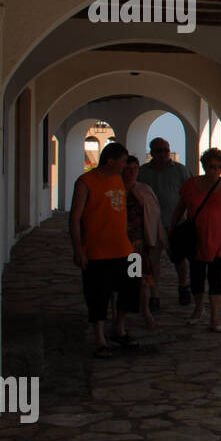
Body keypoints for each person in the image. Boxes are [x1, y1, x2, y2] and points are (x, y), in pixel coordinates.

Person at [69, 141, 139, 357]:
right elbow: (75, 218)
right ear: (111, 161)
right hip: (97, 251)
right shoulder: (86, 182)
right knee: (97, 295)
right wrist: (78, 249)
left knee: (131, 289)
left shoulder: (119, 179)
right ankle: (100, 338)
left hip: (125, 250)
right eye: (123, 162)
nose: (125, 167)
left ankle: (119, 328)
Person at [170, 147, 221, 333]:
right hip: (196, 238)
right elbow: (180, 208)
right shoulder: (190, 185)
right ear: (204, 166)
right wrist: (172, 229)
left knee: (216, 276)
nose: (216, 170)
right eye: (212, 166)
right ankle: (198, 307)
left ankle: (215, 316)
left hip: (220, 239)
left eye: (220, 167)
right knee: (197, 275)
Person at [137, 137, 192, 308]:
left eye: (166, 150)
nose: (163, 154)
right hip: (150, 225)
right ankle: (154, 295)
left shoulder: (181, 170)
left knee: (179, 259)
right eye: (159, 151)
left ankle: (183, 286)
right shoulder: (143, 172)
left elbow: (189, 195)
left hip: (175, 224)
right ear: (152, 152)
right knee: (152, 262)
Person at [123, 155, 166, 330]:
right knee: (120, 282)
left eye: (135, 168)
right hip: (118, 244)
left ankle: (145, 312)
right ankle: (119, 316)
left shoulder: (143, 189)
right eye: (129, 168)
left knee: (140, 280)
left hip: (137, 245)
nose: (132, 172)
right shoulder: (114, 189)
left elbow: (152, 213)